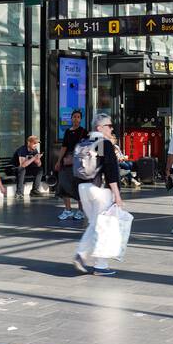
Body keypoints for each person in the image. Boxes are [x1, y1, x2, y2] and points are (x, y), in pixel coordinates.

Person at [74, 113, 125, 277]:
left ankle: (83, 255)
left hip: (84, 188)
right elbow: (110, 170)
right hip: (100, 190)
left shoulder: (85, 142)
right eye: (109, 126)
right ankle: (99, 265)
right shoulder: (104, 143)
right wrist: (117, 194)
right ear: (99, 127)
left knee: (96, 224)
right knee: (104, 227)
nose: (112, 128)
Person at [55, 109, 87, 222]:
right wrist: (59, 161)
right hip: (66, 160)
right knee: (63, 184)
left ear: (80, 119)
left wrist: (75, 158)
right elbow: (64, 147)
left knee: (77, 185)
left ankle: (81, 211)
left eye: (78, 117)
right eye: (74, 117)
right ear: (71, 118)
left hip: (77, 161)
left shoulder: (83, 131)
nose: (76, 119)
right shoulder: (68, 131)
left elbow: (85, 148)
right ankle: (67, 209)